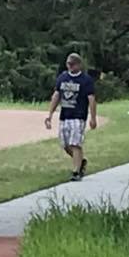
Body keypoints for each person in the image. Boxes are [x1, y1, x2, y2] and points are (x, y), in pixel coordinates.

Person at [44, 52, 97, 181]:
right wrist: (50, 114)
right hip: (65, 116)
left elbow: (91, 99)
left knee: (75, 144)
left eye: (72, 64)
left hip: (78, 116)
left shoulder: (86, 80)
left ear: (79, 65)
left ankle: (76, 172)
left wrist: (93, 117)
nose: (70, 67)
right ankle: (81, 162)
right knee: (65, 145)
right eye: (68, 64)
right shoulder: (62, 78)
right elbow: (56, 96)